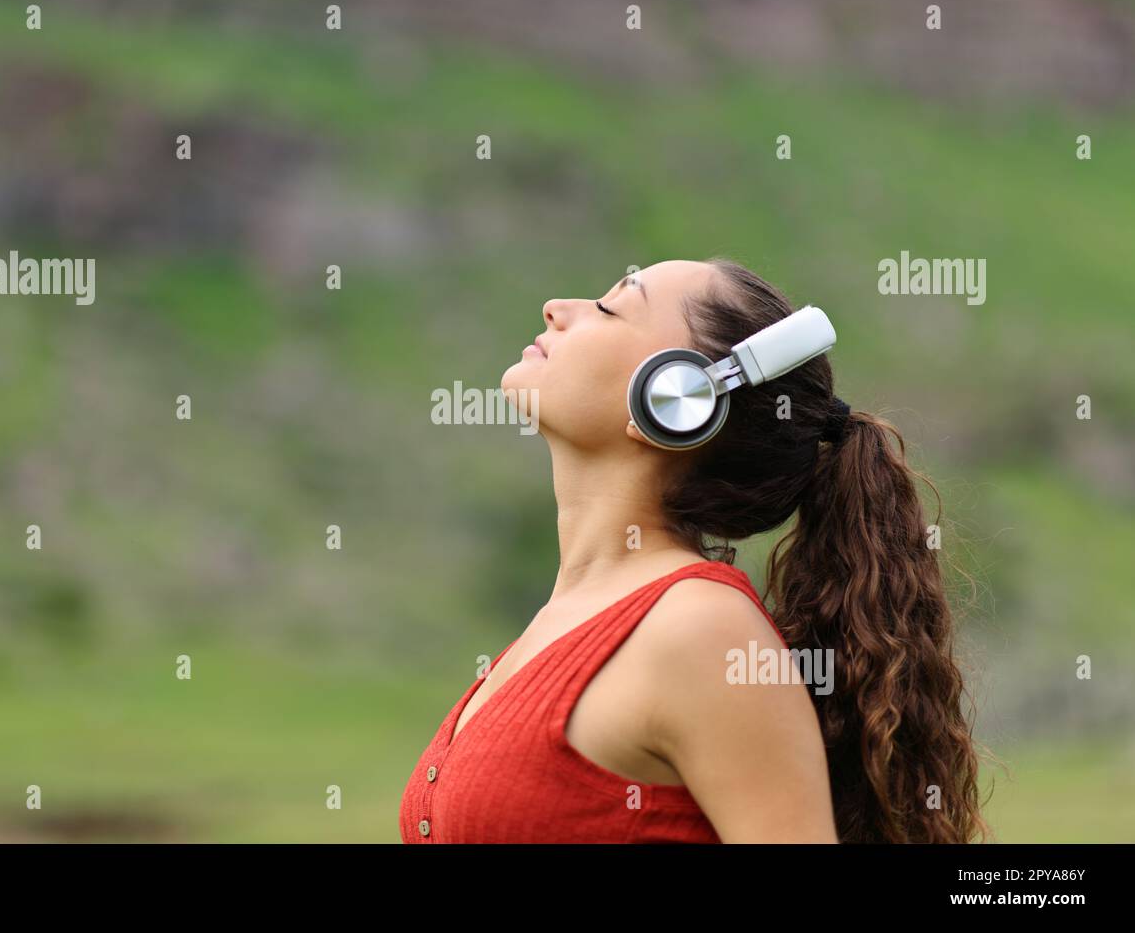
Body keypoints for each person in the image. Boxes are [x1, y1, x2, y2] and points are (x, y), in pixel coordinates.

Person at [399, 259, 989, 843]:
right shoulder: (561, 620)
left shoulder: (700, 630)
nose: (557, 308)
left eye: (610, 309)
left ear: (676, 399)